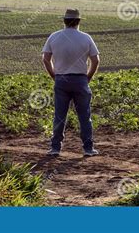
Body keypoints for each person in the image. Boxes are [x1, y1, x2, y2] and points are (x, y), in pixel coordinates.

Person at [42, 8, 100, 157]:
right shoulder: (86, 38)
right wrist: (88, 77)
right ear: (78, 21)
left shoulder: (54, 37)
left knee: (59, 115)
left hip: (61, 79)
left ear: (64, 21)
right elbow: (96, 60)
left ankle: (55, 148)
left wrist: (54, 75)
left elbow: (45, 59)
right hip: (80, 79)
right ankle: (88, 148)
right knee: (84, 116)